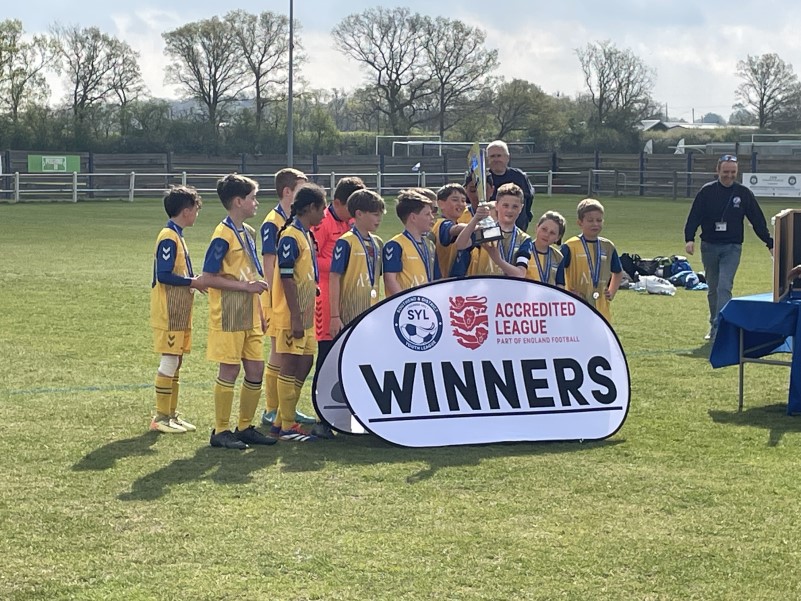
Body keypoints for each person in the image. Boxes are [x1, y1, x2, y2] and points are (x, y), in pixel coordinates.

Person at [202, 174, 275, 450]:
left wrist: (260, 310)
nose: (256, 203)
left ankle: (244, 427)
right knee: (230, 369)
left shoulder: (248, 232)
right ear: (238, 201)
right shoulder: (222, 235)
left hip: (250, 313)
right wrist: (246, 287)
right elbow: (208, 277)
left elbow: (251, 273)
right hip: (229, 312)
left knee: (256, 368)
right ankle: (220, 430)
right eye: (253, 198)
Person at [684, 154, 773, 341]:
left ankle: (720, 329)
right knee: (713, 289)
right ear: (717, 170)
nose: (729, 175)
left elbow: (757, 220)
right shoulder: (706, 192)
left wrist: (769, 243)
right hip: (709, 246)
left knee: (724, 287)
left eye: (733, 172)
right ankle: (714, 324)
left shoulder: (743, 193)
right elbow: (694, 216)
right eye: (726, 172)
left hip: (732, 248)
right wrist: (689, 238)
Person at [268, 183, 328, 442]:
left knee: (305, 362)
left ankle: (281, 421)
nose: (324, 214)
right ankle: (287, 426)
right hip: (291, 314)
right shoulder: (291, 236)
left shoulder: (305, 234)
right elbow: (286, 277)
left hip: (305, 314)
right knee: (290, 365)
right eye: (322, 208)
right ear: (311, 208)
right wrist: (294, 315)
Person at [260, 168, 316, 427]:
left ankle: (286, 409)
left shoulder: (296, 223)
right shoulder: (273, 222)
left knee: (290, 354)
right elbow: (269, 263)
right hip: (278, 299)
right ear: (287, 192)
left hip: (293, 298)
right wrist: (274, 299)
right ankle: (273, 410)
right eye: (302, 189)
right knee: (279, 353)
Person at [149, 186, 206, 434]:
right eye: (195, 209)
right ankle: (161, 417)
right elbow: (163, 275)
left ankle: (171, 414)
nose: (197, 214)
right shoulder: (168, 237)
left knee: (177, 360)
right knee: (170, 359)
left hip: (180, 309)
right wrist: (193, 282)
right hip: (169, 310)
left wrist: (193, 281)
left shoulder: (177, 235)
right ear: (186, 211)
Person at [312, 176, 364, 366]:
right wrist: (339, 265)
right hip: (325, 296)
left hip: (348, 294)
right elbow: (311, 260)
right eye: (350, 208)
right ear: (337, 203)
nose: (354, 213)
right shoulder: (322, 223)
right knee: (328, 349)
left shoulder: (352, 222)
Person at [329, 189, 386, 337]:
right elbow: (334, 277)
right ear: (359, 214)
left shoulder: (378, 243)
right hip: (349, 315)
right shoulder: (345, 242)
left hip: (371, 312)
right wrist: (334, 316)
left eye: (380, 215)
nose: (379, 219)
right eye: (375, 214)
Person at [561, 198, 623, 323]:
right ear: (580, 222)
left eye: (599, 220)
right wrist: (566, 292)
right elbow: (556, 271)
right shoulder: (570, 246)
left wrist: (611, 291)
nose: (595, 224)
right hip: (575, 307)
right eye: (590, 220)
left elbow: (618, 272)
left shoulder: (608, 246)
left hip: (602, 310)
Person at [452, 183, 532, 278]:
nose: (510, 210)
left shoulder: (523, 239)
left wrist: (498, 260)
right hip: (483, 286)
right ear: (497, 205)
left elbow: (520, 274)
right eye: (505, 205)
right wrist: (475, 219)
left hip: (509, 286)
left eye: (515, 206)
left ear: (521, 208)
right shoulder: (488, 232)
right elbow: (460, 245)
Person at [382, 189, 440, 297]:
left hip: (426, 303)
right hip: (406, 305)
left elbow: (436, 279)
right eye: (427, 214)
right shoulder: (395, 245)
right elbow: (390, 279)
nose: (432, 217)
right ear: (413, 217)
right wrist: (404, 302)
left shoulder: (430, 245)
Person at [486, 140, 535, 231]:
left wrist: (525, 218)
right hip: (490, 230)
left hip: (518, 230)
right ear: (488, 159)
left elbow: (528, 199)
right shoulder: (483, 179)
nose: (496, 159)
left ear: (507, 157)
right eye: (492, 156)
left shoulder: (520, 177)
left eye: (499, 156)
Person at [433, 183, 469, 278]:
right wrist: (476, 226)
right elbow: (453, 230)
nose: (460, 204)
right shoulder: (440, 224)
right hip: (443, 281)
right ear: (441, 204)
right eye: (455, 200)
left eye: (463, 201)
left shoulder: (458, 223)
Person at [526, 211, 567, 287]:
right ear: (537, 228)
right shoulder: (525, 250)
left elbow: (560, 284)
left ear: (558, 237)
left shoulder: (558, 257)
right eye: (544, 229)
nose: (547, 235)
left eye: (552, 233)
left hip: (549, 294)